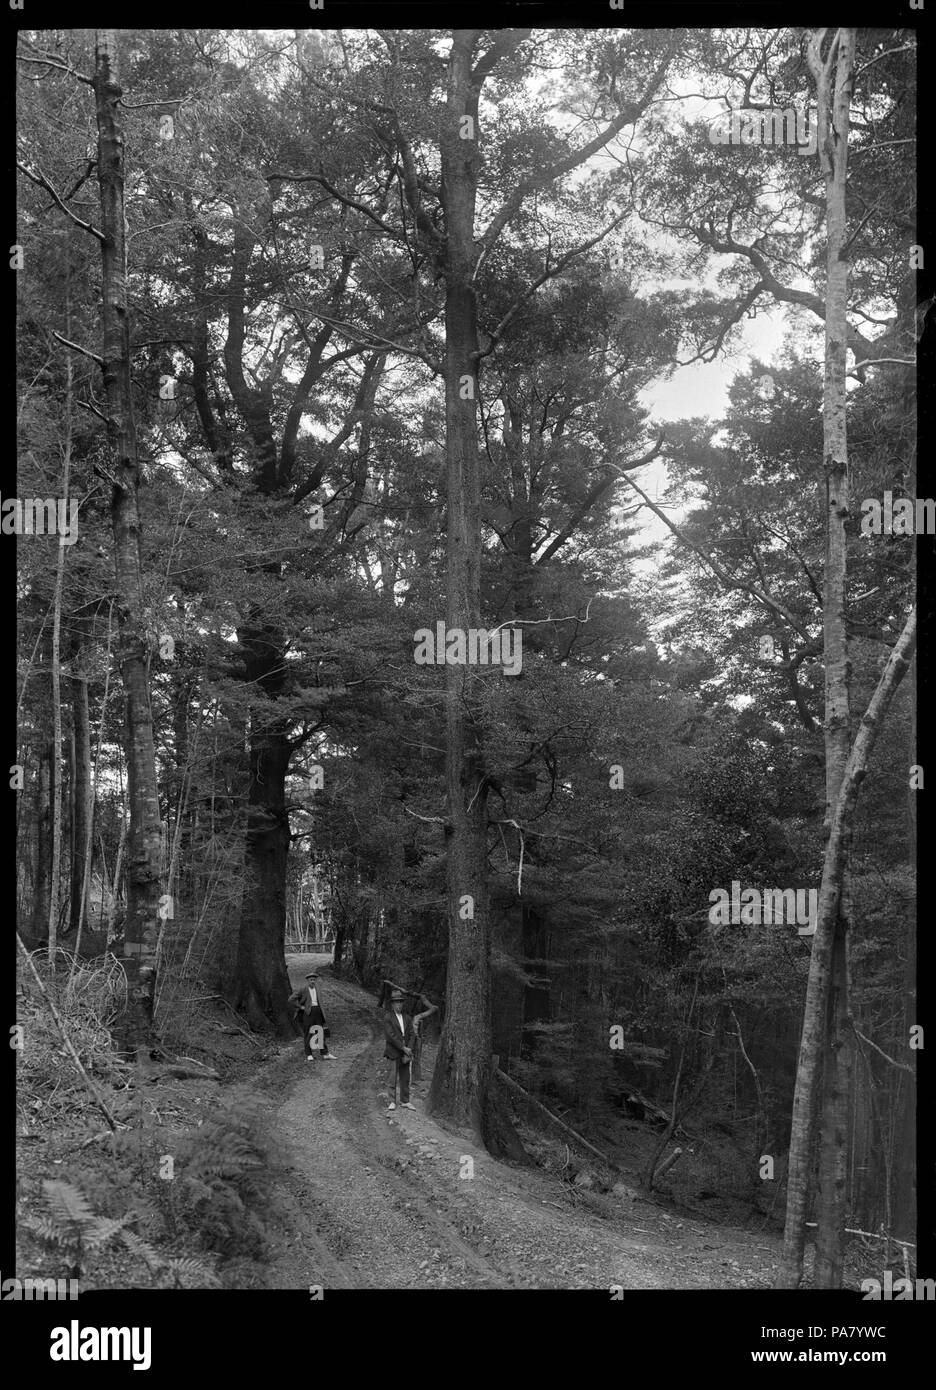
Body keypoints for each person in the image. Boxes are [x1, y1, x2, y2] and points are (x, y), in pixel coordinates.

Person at [289, 971, 337, 1062]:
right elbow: (291, 999)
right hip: (308, 1013)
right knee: (308, 1034)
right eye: (311, 980)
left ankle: (325, 1054)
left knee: (320, 1033)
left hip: (318, 1012)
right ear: (307, 981)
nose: (313, 981)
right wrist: (301, 1007)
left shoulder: (318, 988)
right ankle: (309, 1054)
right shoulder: (303, 989)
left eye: (314, 980)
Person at [382, 988, 416, 1109]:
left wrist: (409, 1049)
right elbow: (390, 1036)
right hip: (393, 1051)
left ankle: (405, 1100)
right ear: (392, 1004)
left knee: (405, 1077)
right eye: (396, 1002)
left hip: (406, 1052)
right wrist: (403, 1048)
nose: (399, 1004)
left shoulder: (407, 1017)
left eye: (400, 1002)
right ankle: (392, 1101)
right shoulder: (388, 1017)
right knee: (392, 1077)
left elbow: (412, 1034)